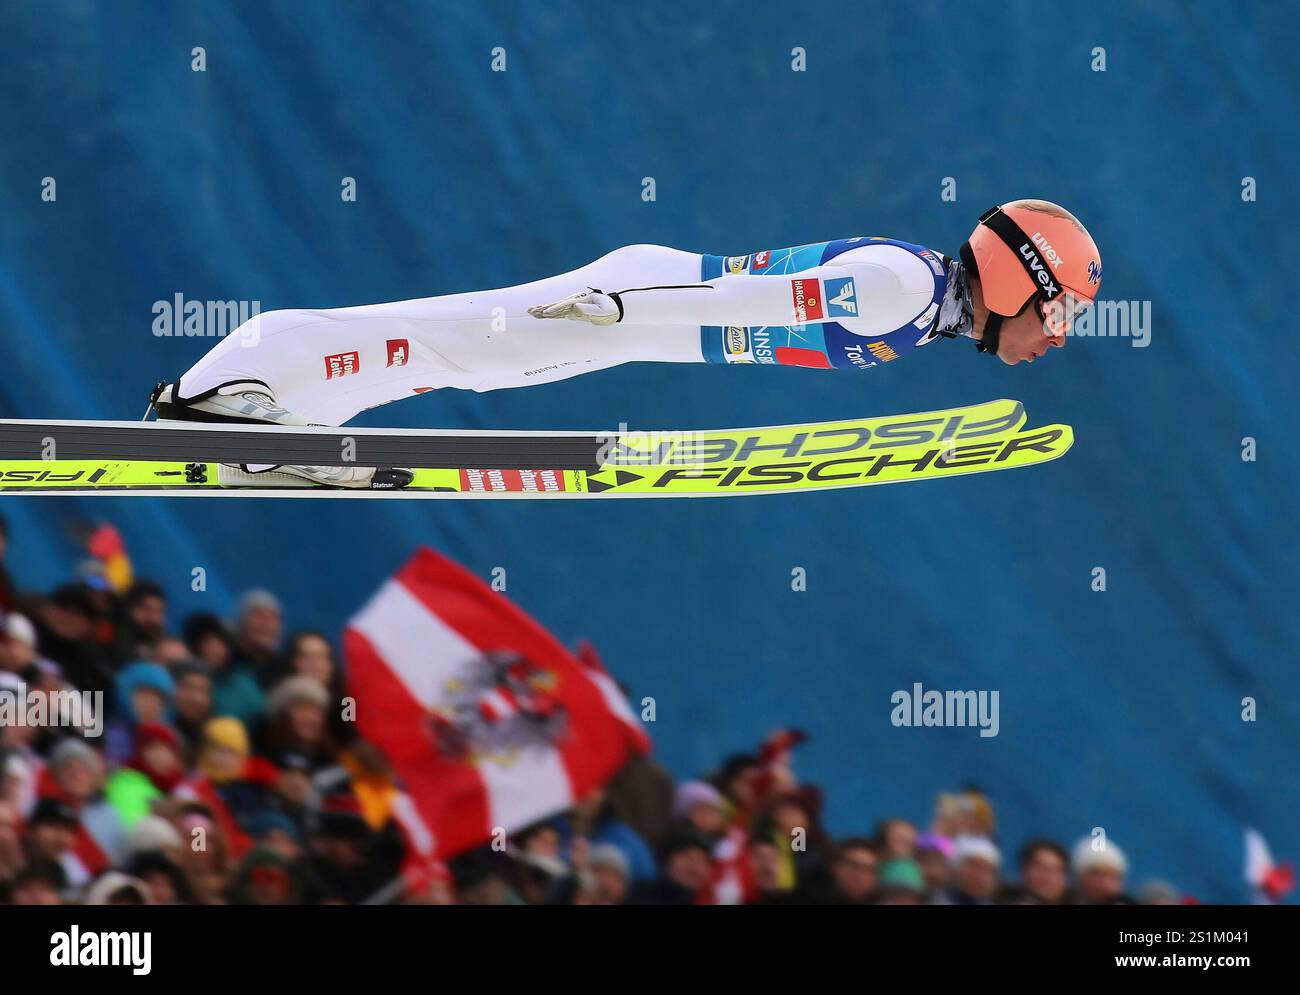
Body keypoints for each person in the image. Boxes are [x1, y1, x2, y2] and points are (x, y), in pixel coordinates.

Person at [149, 200, 1102, 487]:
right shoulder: (905, 284)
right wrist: (617, 301)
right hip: (634, 304)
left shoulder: (926, 306)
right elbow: (745, 292)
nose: (1053, 338)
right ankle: (234, 383)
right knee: (444, 341)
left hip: (639, 328)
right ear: (1023, 274)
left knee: (451, 365)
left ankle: (286, 429)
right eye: (1055, 312)